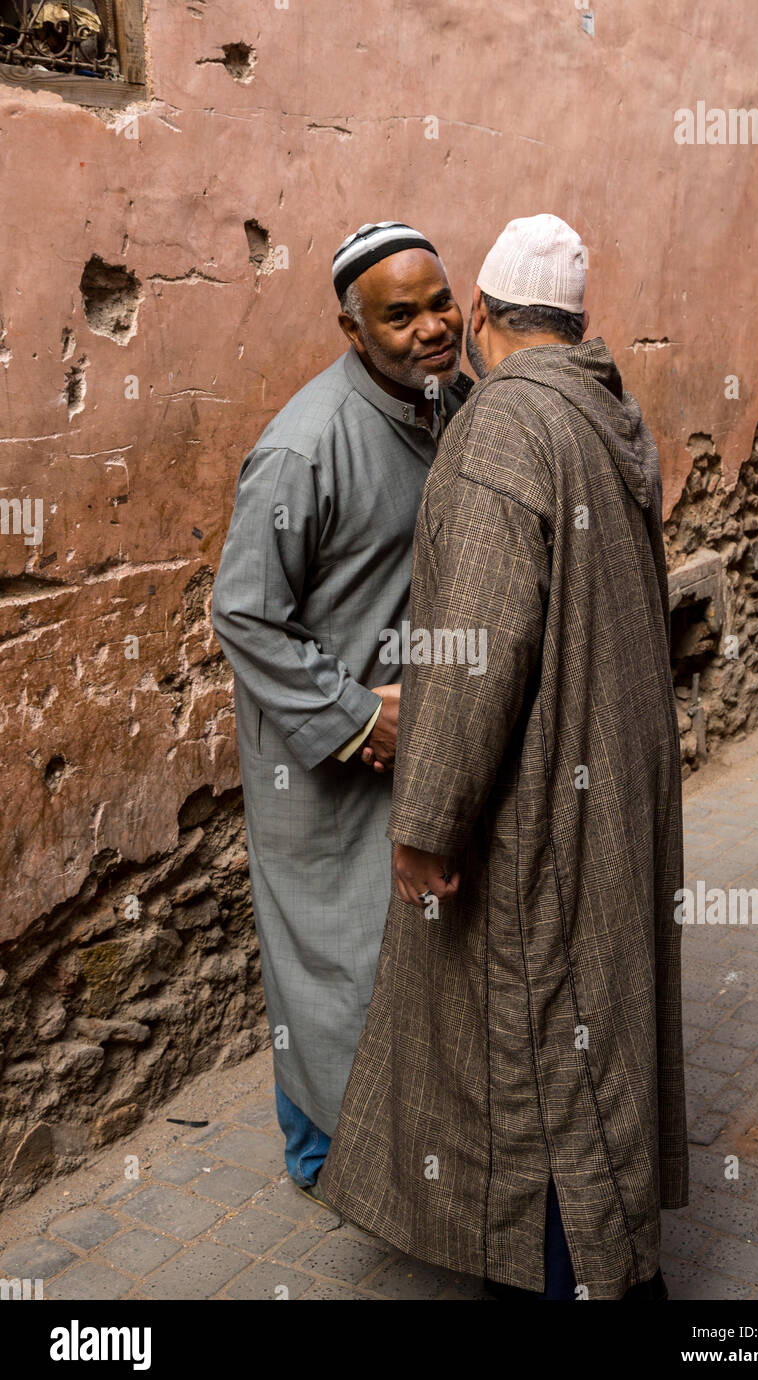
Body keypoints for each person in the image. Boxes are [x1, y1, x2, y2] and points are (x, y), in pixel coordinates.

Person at [320, 214, 688, 1297]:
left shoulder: (499, 432)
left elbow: (473, 652)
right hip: (612, 781)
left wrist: (426, 825)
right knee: (585, 1036)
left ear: (480, 313)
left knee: (544, 1049)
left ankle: (585, 1274)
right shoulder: (608, 411)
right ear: (576, 322)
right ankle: (570, 1253)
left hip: (539, 810)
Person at [211, 221, 471, 1202]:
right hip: (324, 762)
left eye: (438, 303)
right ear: (351, 330)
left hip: (416, 745)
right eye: (396, 316)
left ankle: (410, 1150)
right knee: (335, 972)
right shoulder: (302, 448)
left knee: (416, 954)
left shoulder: (450, 396)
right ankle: (323, 1160)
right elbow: (242, 610)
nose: (428, 327)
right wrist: (357, 717)